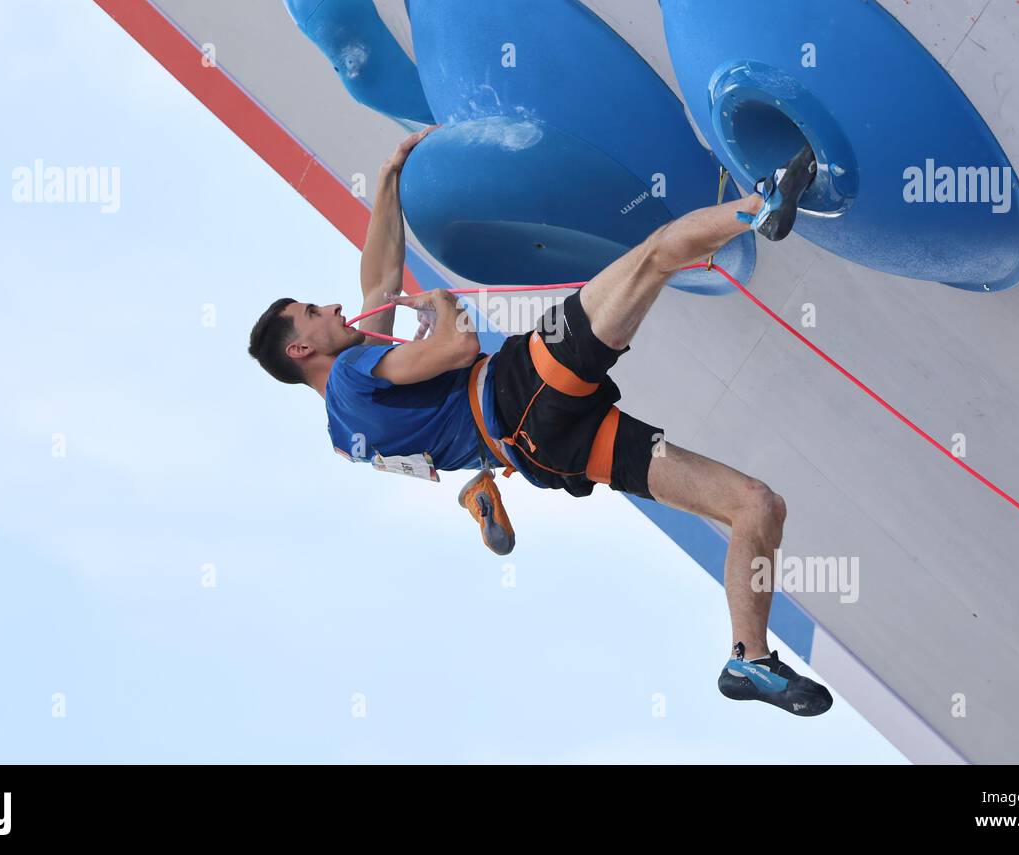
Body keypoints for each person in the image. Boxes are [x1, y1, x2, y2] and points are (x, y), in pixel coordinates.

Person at [248, 127, 832, 716]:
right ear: (300, 351)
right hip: (522, 388)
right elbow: (457, 346)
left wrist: (388, 179)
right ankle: (765, 202)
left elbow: (379, 283)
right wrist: (442, 304)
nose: (334, 309)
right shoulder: (350, 372)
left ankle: (749, 658)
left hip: (544, 450)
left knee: (756, 506)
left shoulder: (343, 432)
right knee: (653, 257)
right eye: (314, 312)